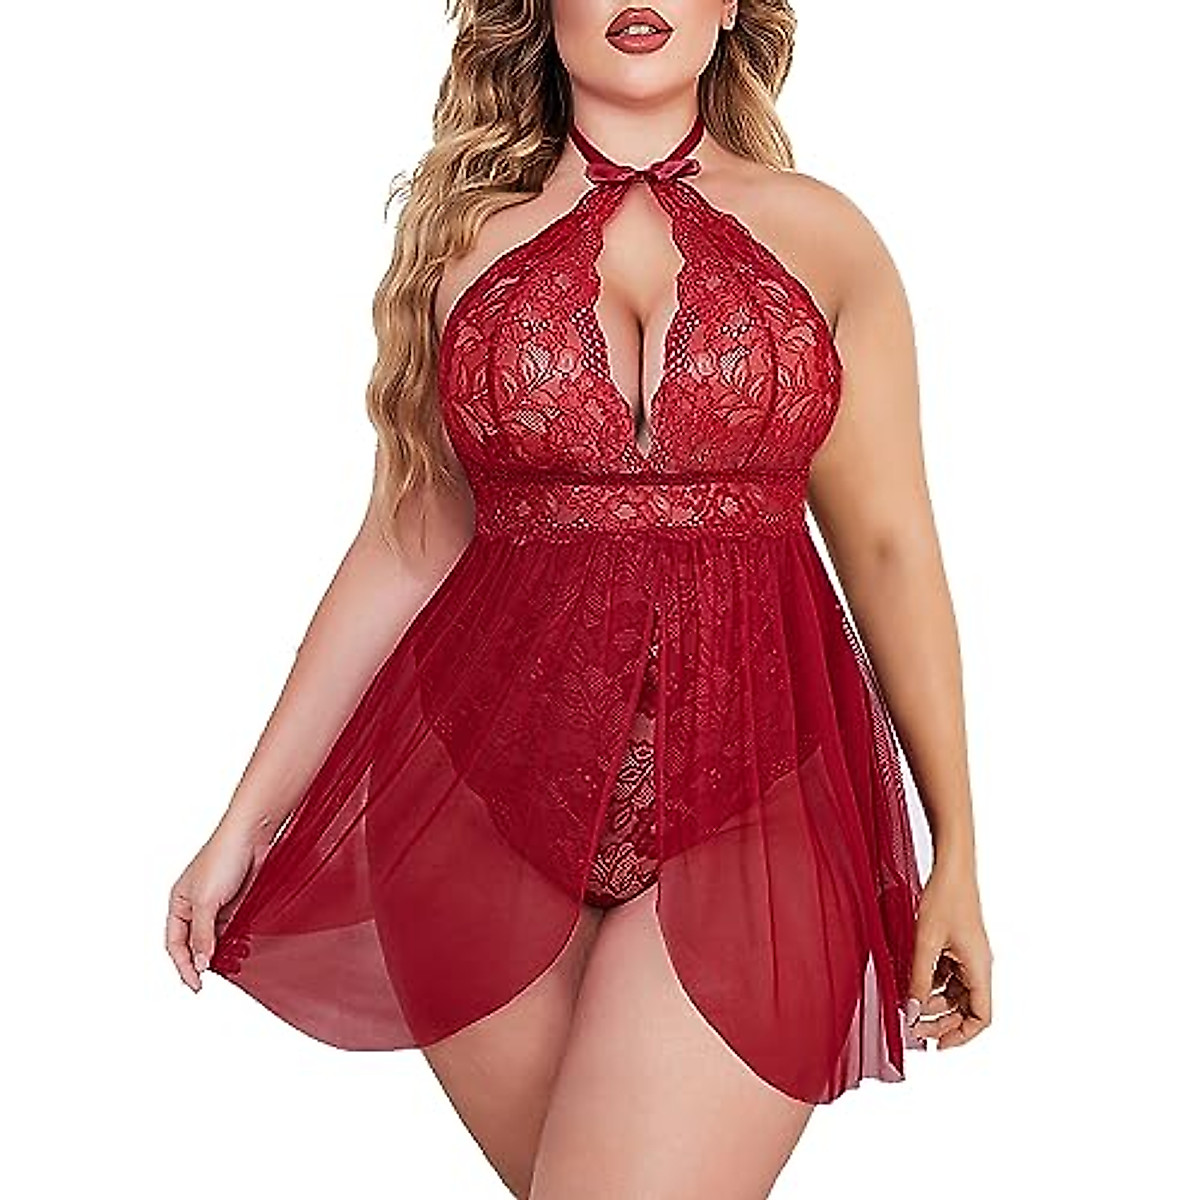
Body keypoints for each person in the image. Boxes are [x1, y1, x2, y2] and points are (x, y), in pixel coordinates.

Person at [165, 1, 992, 1195]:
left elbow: (889, 546)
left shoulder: (827, 238)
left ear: (731, 5)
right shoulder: (465, 244)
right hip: (473, 810)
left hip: (755, 804)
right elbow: (407, 544)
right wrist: (246, 820)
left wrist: (956, 844)